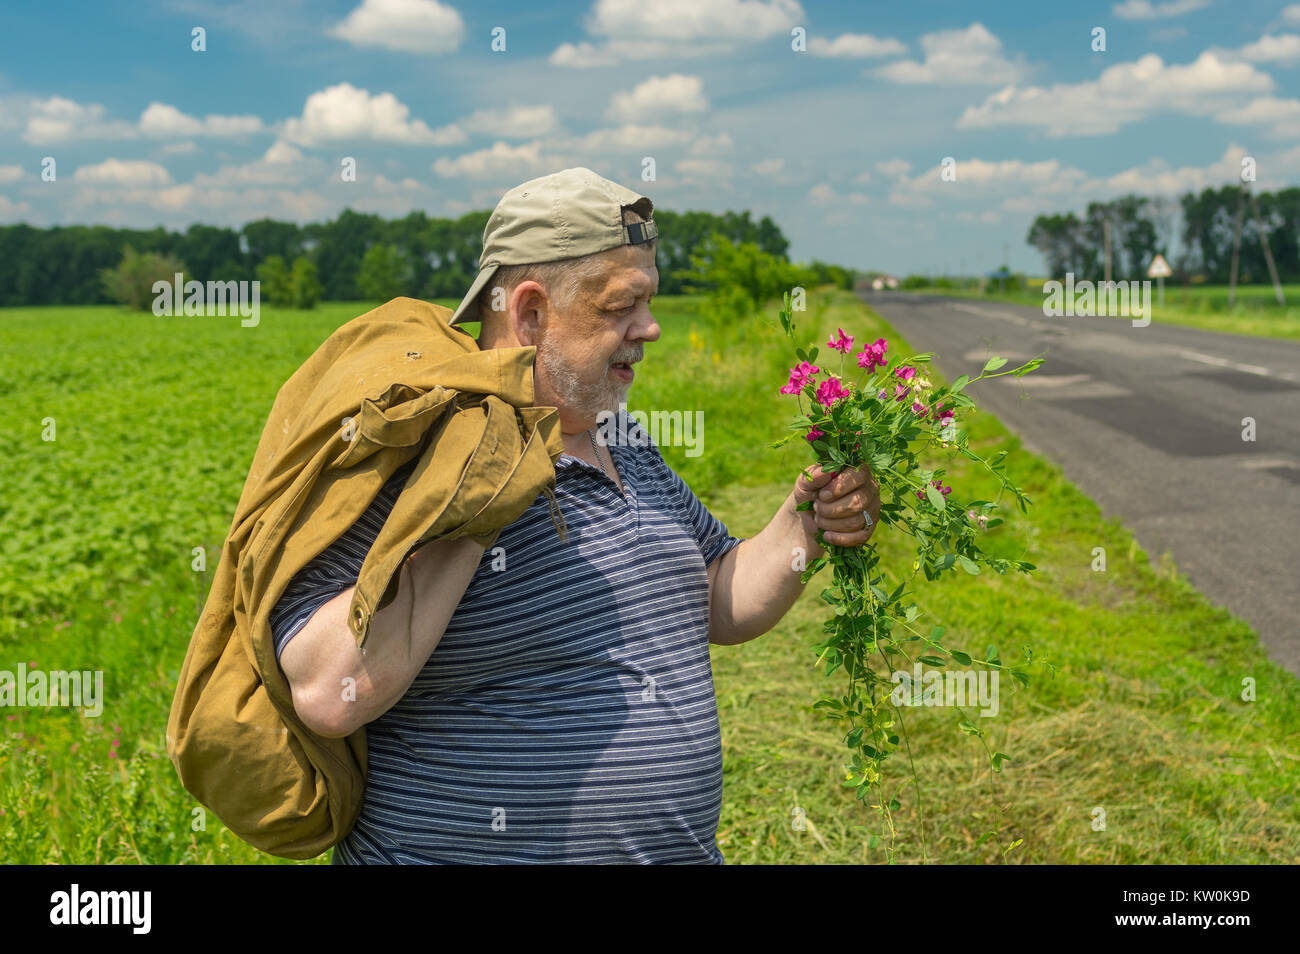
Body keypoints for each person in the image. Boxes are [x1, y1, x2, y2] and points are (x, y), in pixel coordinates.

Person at [271, 166, 881, 863]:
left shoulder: (617, 437)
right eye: (624, 304)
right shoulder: (415, 447)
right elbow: (326, 691)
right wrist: (478, 503)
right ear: (530, 313)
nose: (650, 329)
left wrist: (807, 524)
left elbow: (711, 596)